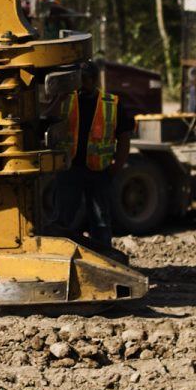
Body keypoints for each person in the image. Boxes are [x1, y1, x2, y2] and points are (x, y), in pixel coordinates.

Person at [52, 59, 134, 252]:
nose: (82, 84)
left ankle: (103, 259)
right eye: (79, 80)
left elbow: (124, 137)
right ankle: (61, 258)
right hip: (69, 170)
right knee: (62, 220)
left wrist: (116, 167)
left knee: (101, 223)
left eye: (86, 79)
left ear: (95, 79)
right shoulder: (66, 101)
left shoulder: (111, 104)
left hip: (99, 172)